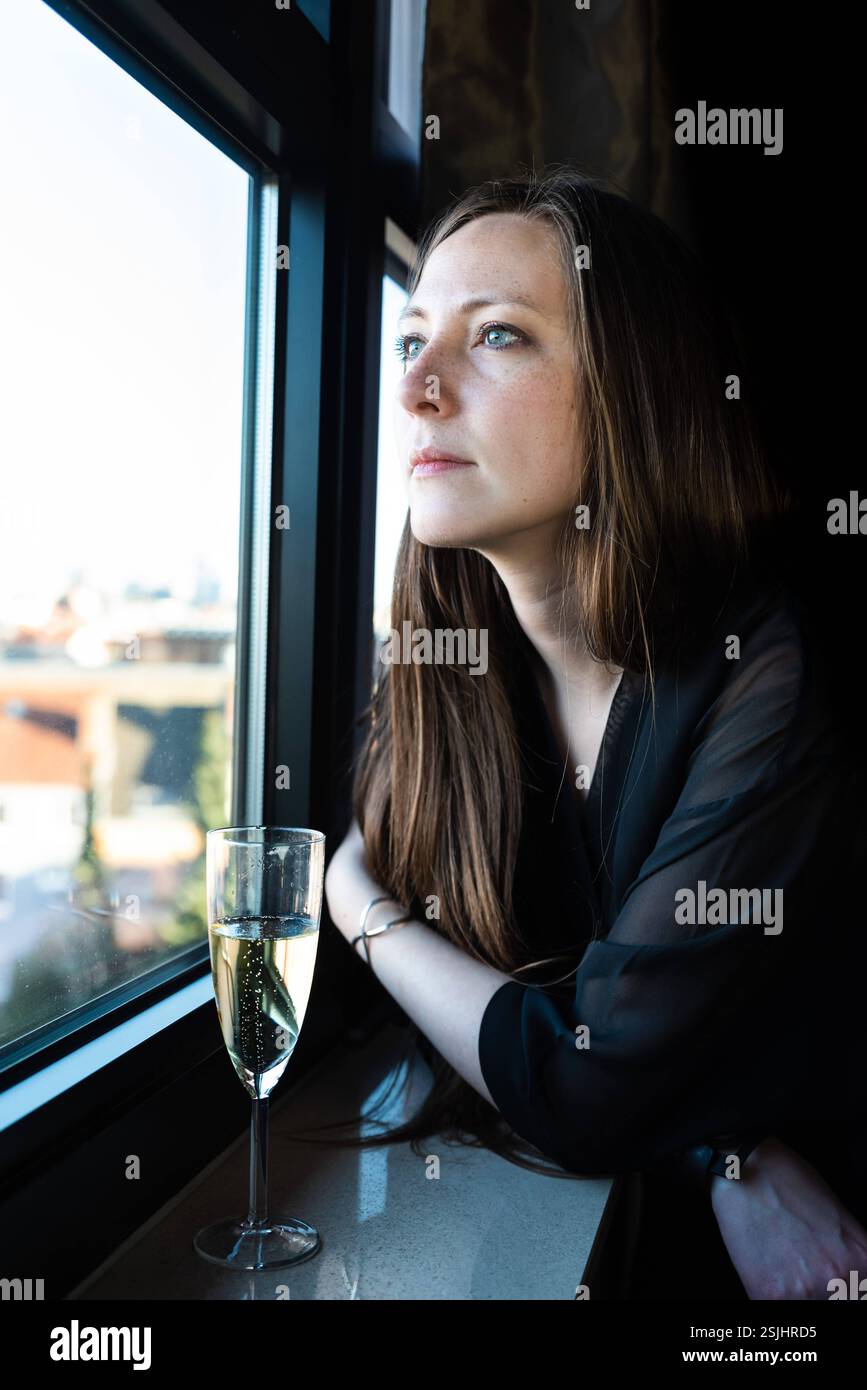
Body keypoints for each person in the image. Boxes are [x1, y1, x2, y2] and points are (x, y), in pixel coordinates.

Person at [323, 166, 867, 1300]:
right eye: (411, 338)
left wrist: (354, 906)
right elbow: (518, 1034)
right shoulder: (445, 670)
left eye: (499, 337)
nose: (418, 385)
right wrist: (721, 1148)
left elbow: (584, 1083)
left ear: (633, 391)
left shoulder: (764, 669)